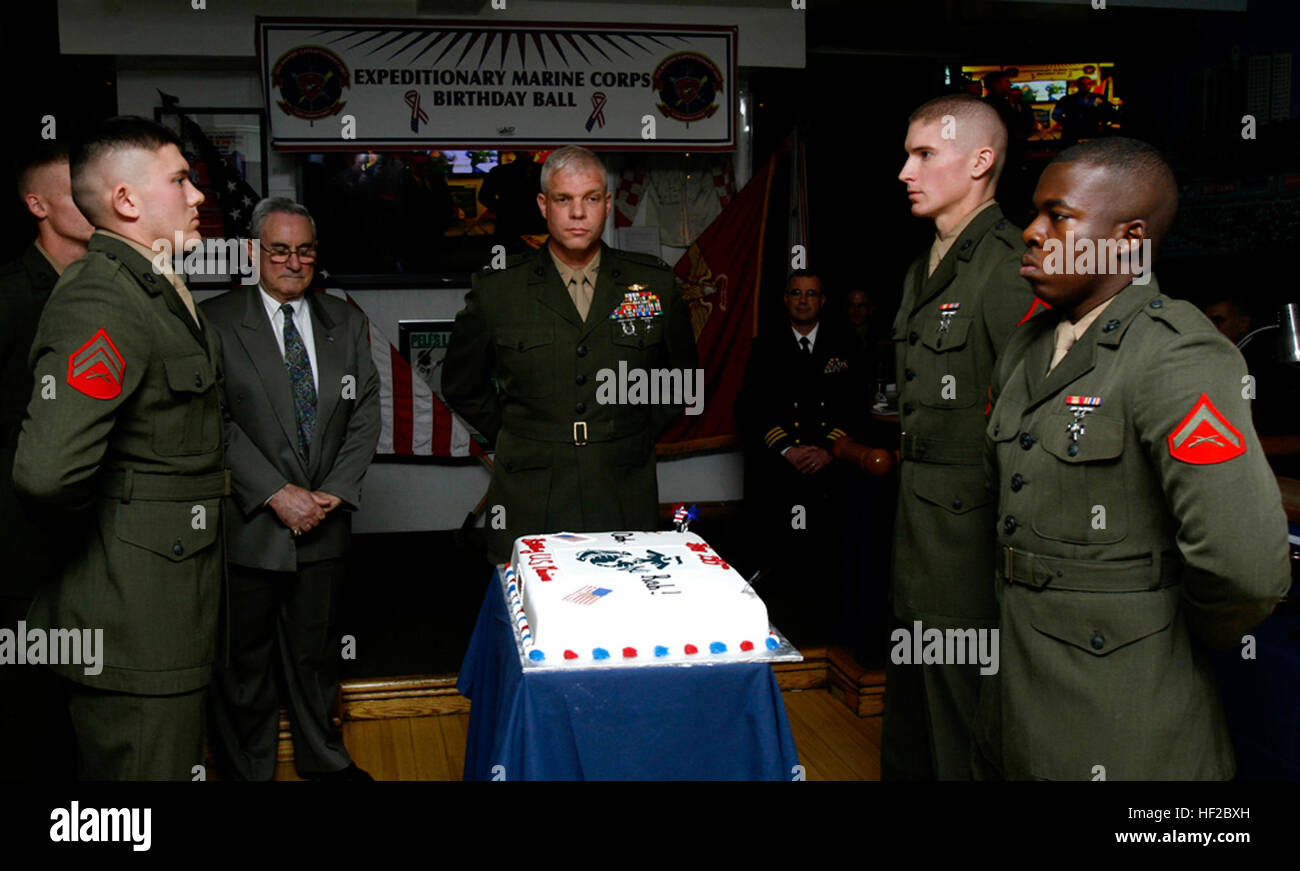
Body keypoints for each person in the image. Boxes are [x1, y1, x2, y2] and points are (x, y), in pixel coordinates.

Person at [976, 137, 1290, 780]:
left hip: (1120, 707)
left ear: (1128, 237)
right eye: (1033, 213)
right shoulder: (1028, 348)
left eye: (1057, 216)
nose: (1031, 234)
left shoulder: (1176, 355)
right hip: (1014, 697)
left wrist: (1159, 632)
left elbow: (1245, 567)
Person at [13, 116, 224, 780]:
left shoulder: (151, 285)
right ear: (128, 201)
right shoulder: (105, 296)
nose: (197, 197)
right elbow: (47, 472)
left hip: (168, 609)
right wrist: (116, 534)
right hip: (135, 616)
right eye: (181, 179)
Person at [882, 94, 1040, 780]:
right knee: (915, 699)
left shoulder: (1006, 264)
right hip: (920, 520)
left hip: (970, 530)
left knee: (961, 703)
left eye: (924, 155)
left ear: (980, 162)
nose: (904, 171)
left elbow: (1027, 423)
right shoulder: (928, 265)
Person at [442, 145, 697, 566]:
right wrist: (523, 433)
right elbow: (461, 384)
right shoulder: (499, 290)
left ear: (607, 204)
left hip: (621, 484)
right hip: (530, 490)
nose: (578, 213)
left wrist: (626, 430)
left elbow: (681, 381)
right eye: (564, 199)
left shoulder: (653, 283)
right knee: (529, 616)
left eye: (591, 198)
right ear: (544, 205)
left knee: (626, 610)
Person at [199, 198, 381, 781]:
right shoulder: (216, 320)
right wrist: (276, 492)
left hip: (325, 522)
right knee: (243, 663)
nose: (293, 261)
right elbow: (212, 419)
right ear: (255, 252)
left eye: (304, 250)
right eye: (279, 249)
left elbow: (366, 413)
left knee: (315, 654)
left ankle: (322, 762)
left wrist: (335, 490)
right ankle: (246, 768)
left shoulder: (344, 321)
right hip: (248, 524)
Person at [0, 141, 94, 780]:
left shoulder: (111, 290)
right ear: (36, 205)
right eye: (73, 192)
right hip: (22, 538)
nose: (91, 203)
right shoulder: (10, 296)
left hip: (97, 533)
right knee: (31, 694)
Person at [739, 270, 861, 641]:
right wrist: (787, 449)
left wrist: (828, 449)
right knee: (780, 557)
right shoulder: (765, 346)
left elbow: (856, 407)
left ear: (823, 301)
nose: (804, 300)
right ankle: (779, 632)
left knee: (826, 558)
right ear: (786, 300)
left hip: (829, 468)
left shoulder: (846, 345)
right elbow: (749, 408)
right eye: (796, 293)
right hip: (779, 469)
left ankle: (826, 636)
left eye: (812, 294)